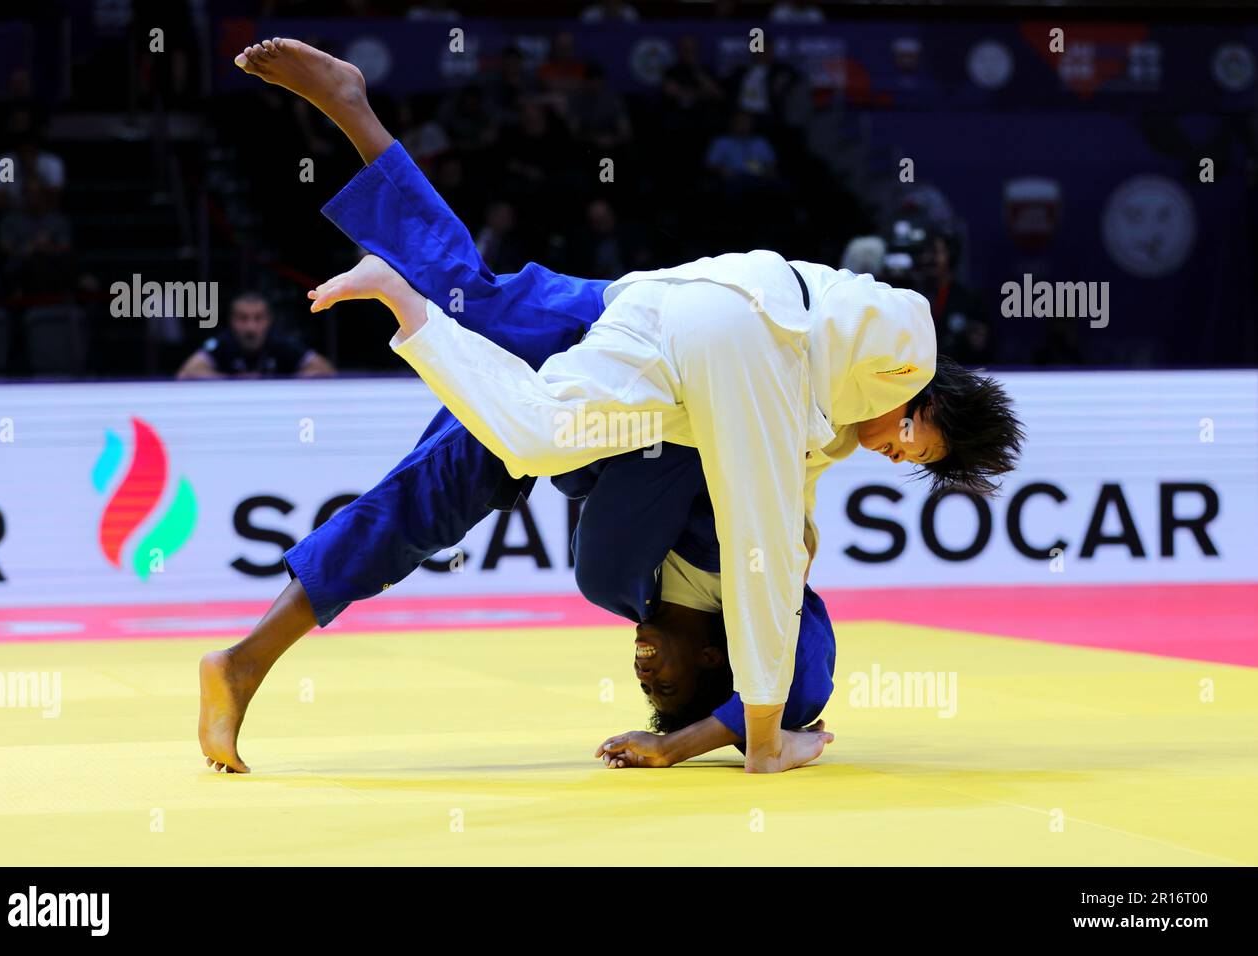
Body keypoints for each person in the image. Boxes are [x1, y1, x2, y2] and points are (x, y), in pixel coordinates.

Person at [231, 37, 1022, 775]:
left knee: (483, 326)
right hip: (734, 330)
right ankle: (763, 744)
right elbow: (777, 518)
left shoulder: (809, 452)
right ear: (929, 397)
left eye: (906, 460)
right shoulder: (909, 347)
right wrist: (758, 733)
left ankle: (359, 124)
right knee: (757, 535)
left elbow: (799, 477)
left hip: (645, 320)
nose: (894, 451)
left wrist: (686, 738)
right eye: (912, 441)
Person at [176, 291, 335, 379]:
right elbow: (186, 373)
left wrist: (279, 383)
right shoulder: (223, 343)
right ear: (232, 320)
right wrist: (232, 383)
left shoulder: (280, 343)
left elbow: (325, 370)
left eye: (258, 318)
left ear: (269, 320)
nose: (251, 327)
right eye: (243, 318)